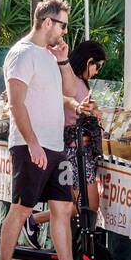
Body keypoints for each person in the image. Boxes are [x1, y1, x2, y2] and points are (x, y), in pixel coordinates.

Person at [0, 0, 107, 260]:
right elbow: (16, 103)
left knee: (63, 207)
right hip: (33, 144)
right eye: (63, 25)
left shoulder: (49, 54)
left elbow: (67, 92)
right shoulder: (22, 54)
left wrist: (64, 60)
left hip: (55, 145)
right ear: (47, 23)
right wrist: (32, 143)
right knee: (21, 208)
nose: (65, 32)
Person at [25, 39, 107, 245]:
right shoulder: (66, 76)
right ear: (89, 61)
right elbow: (62, 100)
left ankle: (35, 220)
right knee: (83, 205)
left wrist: (93, 111)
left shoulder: (82, 81)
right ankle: (34, 220)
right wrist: (79, 108)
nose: (97, 71)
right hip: (72, 149)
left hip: (83, 150)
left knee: (86, 205)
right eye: (97, 66)